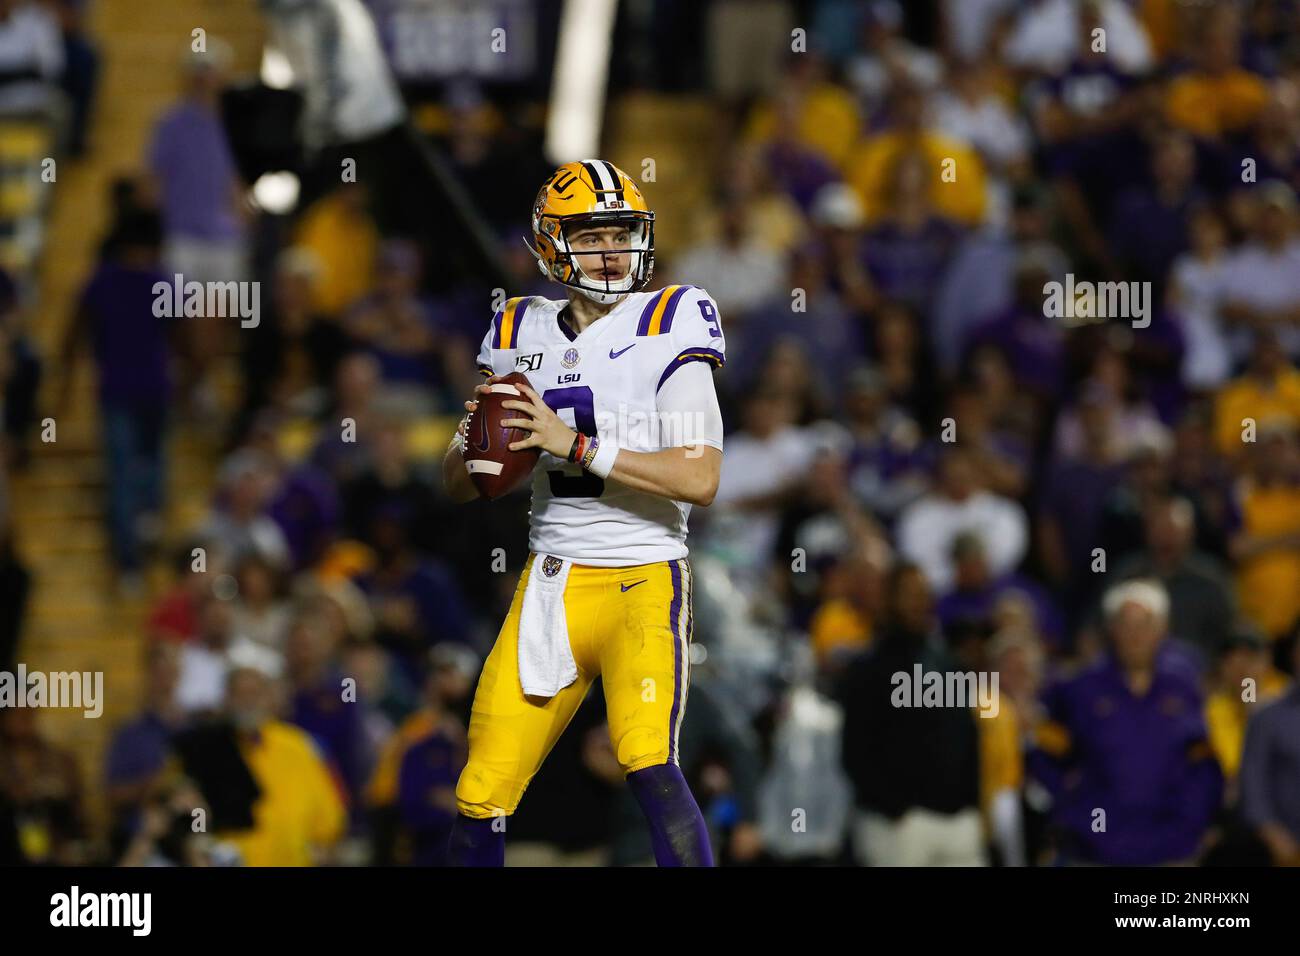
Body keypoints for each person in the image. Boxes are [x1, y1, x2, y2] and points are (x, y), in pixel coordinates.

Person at [441, 160, 725, 867]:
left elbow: (700, 475)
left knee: (647, 759)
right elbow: (459, 484)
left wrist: (573, 444)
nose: (610, 250)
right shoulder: (515, 328)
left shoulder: (672, 314)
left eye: (620, 234)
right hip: (553, 582)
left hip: (641, 575)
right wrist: (478, 447)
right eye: (591, 236)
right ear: (549, 246)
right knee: (482, 787)